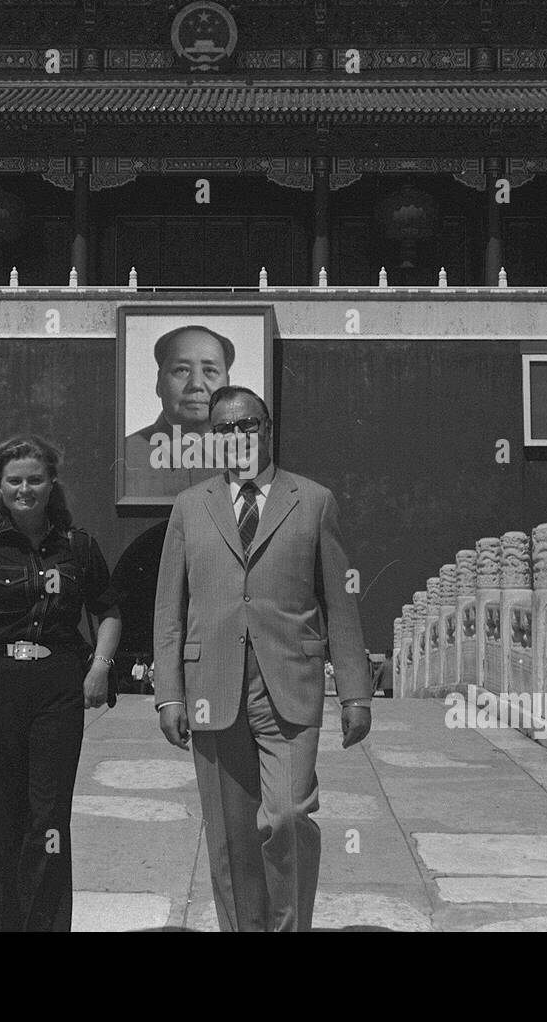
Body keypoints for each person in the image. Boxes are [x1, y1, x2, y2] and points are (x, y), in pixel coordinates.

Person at [154, 385, 373, 932]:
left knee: (289, 815)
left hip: (289, 686)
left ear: (268, 430)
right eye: (224, 428)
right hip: (212, 687)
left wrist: (355, 692)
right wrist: (169, 693)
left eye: (248, 424)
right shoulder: (189, 507)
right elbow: (169, 608)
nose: (238, 436)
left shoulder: (313, 501)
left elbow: (340, 605)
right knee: (229, 835)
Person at [0, 433, 122, 932]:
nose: (24, 489)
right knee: (4, 816)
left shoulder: (78, 546)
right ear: (0, 487)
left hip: (58, 686)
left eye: (35, 479)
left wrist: (100, 667)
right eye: (14, 480)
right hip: (1, 687)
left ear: (51, 485)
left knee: (48, 817)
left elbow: (107, 612)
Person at [123, 325, 234, 499]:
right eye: (182, 370)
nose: (196, 384)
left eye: (210, 371)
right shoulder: (125, 454)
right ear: (159, 383)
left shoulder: (249, 453)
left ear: (227, 384)